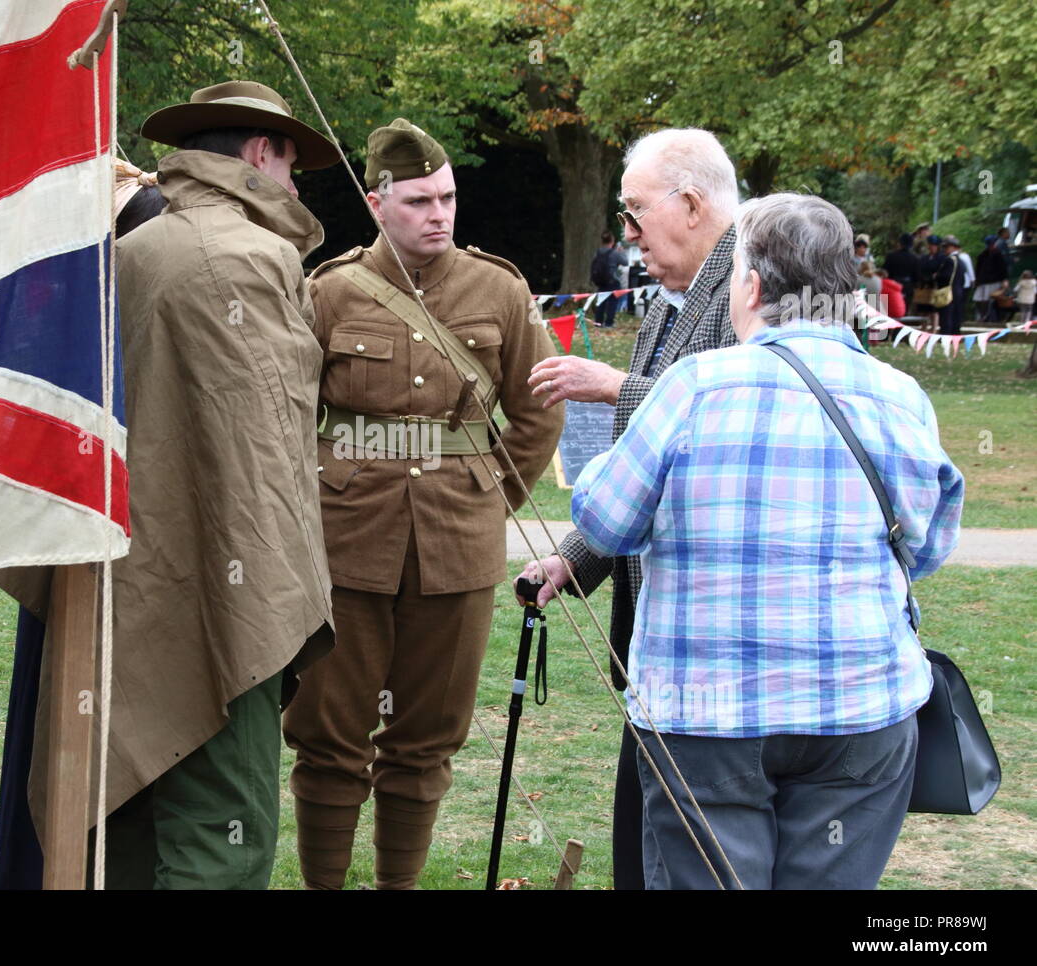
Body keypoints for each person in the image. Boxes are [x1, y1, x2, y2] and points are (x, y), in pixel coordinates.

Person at [0, 80, 344, 890]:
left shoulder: (128, 253)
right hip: (221, 601)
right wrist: (265, 602)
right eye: (292, 166)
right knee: (225, 838)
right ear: (262, 153)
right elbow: (263, 467)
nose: (295, 188)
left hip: (121, 588)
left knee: (127, 822)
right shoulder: (251, 258)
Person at [570, 193, 963, 889]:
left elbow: (606, 520)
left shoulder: (693, 387)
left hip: (707, 717)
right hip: (859, 711)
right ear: (845, 289)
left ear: (748, 286)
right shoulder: (900, 396)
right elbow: (927, 548)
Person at [282, 119, 564, 889]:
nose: (439, 213)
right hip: (346, 543)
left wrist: (488, 498)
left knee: (426, 738)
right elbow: (286, 416)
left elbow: (540, 410)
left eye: (447, 197)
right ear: (378, 204)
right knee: (329, 736)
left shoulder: (499, 290)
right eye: (418, 201)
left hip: (457, 549)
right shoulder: (331, 290)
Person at [517, 127, 741, 890]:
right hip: (658, 655)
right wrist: (573, 559)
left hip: (715, 654)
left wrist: (616, 387)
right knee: (640, 855)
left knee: (688, 863)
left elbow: (741, 424)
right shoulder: (669, 305)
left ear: (689, 202)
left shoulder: (755, 284)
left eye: (637, 212)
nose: (628, 234)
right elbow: (642, 479)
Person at [590, 230, 627, 327]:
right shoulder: (614, 253)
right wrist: (622, 252)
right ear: (612, 241)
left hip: (600, 281)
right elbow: (625, 262)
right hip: (612, 281)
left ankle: (598, 322)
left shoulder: (597, 252)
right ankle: (609, 323)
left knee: (601, 301)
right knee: (612, 303)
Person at [915, 234, 948, 330]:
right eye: (930, 245)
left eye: (933, 245)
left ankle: (933, 329)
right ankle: (923, 328)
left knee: (934, 310)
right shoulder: (924, 258)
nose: (931, 247)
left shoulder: (942, 258)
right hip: (924, 286)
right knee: (923, 310)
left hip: (935, 285)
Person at [974, 235, 1009, 321]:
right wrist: (977, 279)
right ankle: (983, 316)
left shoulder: (998, 254)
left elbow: (1002, 268)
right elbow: (978, 269)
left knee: (992, 301)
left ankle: (989, 317)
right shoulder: (982, 255)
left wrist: (1004, 279)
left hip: (994, 281)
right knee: (979, 299)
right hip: (983, 281)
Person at [939, 236, 967, 335]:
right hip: (958, 291)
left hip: (949, 292)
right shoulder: (961, 261)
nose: (945, 250)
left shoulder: (950, 260)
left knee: (947, 316)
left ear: (953, 247)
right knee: (956, 316)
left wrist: (936, 277)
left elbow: (945, 276)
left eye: (947, 247)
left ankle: (946, 335)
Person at [882, 232, 918, 305]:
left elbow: (885, 272)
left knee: (892, 307)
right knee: (905, 308)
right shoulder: (915, 258)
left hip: (892, 285)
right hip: (908, 287)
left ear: (900, 243)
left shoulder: (891, 256)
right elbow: (917, 275)